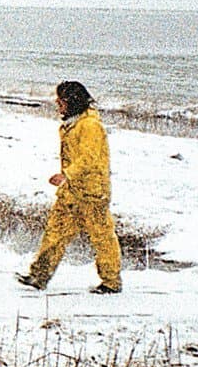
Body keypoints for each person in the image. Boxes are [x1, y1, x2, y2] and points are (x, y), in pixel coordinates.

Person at [18, 80, 123, 294]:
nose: (58, 104)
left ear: (73, 102)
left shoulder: (90, 126)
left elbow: (90, 159)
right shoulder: (73, 124)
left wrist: (66, 175)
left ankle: (111, 282)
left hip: (92, 192)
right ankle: (39, 276)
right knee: (55, 232)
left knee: (102, 238)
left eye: (61, 100)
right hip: (72, 191)